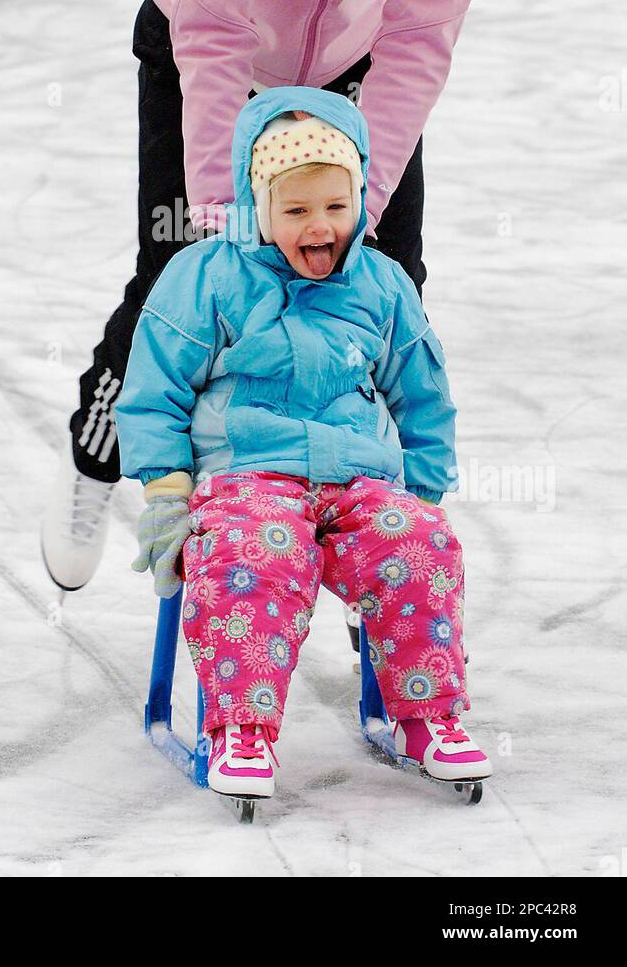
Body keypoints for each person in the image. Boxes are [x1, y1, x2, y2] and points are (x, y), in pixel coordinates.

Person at [41, 0, 505, 591]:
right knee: (179, 274)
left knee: (384, 280)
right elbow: (209, 32)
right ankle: (97, 455)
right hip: (201, 57)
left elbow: (419, 41)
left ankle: (365, 515)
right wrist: (222, 221)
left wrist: (355, 215)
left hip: (346, 81)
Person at [114, 85, 492, 801]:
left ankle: (426, 714)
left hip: (359, 475)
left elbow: (422, 391)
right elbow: (154, 389)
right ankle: (240, 727)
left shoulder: (380, 284)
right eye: (294, 211)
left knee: (418, 544)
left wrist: (422, 491)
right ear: (257, 208)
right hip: (245, 475)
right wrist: (166, 491)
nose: (319, 226)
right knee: (253, 555)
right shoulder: (206, 278)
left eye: (335, 207)